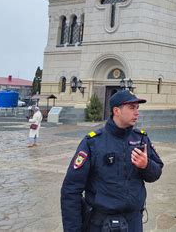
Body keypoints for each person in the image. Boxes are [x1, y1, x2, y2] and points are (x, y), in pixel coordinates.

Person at [61, 90, 164, 232]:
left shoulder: (140, 139)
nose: (137, 113)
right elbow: (71, 189)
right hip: (100, 223)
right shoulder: (93, 142)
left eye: (137, 108)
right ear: (116, 110)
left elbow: (156, 173)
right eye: (132, 108)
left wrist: (146, 165)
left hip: (133, 223)